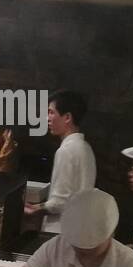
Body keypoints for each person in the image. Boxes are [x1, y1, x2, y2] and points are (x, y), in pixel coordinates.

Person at [24, 89, 95, 235]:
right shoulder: (85, 148)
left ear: (67, 117)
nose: (47, 118)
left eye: (51, 112)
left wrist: (37, 208)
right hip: (79, 229)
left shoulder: (66, 150)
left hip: (60, 230)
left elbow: (61, 201)